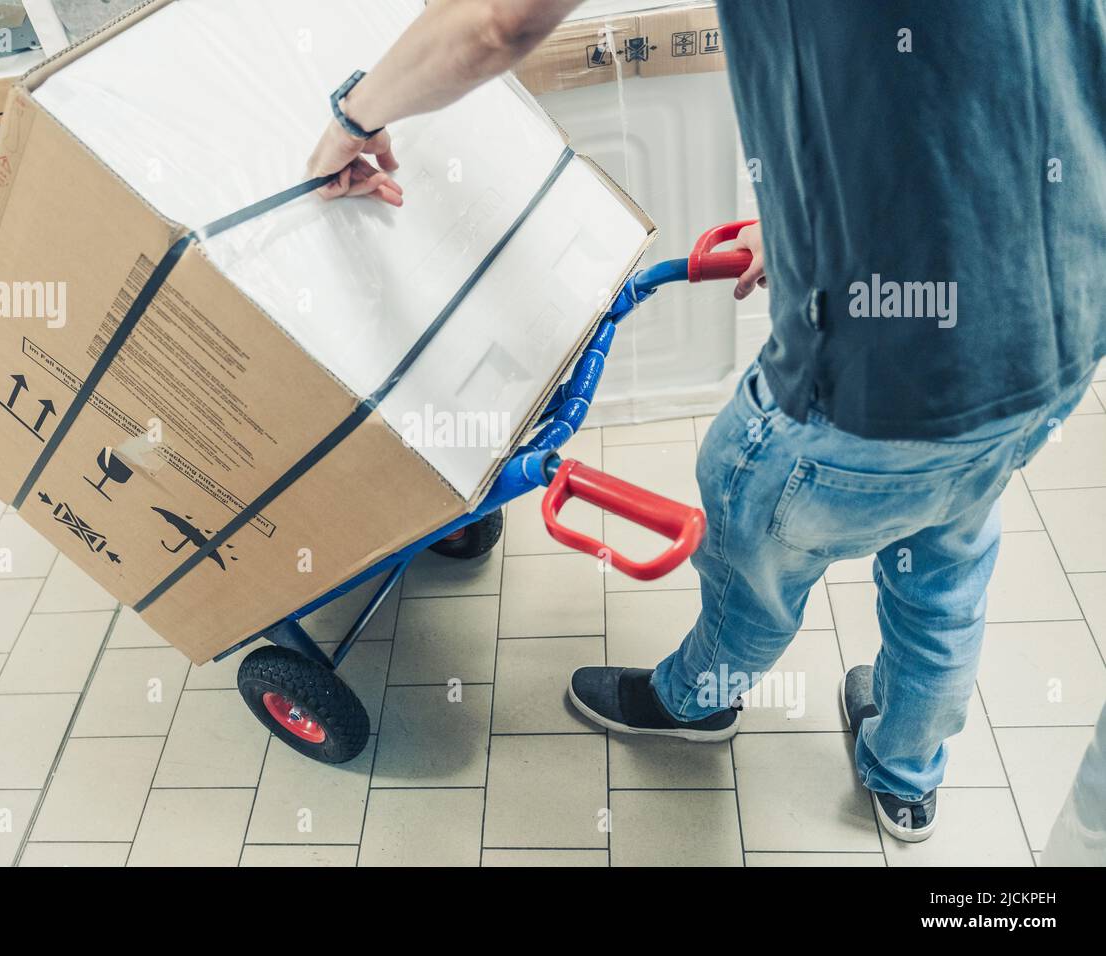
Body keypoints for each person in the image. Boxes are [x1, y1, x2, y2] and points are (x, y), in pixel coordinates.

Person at [308, 0, 1106, 843]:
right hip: (1048, 349)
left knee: (755, 578)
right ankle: (906, 773)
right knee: (948, 568)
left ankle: (694, 704)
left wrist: (351, 118)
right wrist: (829, 225)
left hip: (859, 406)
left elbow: (496, 22)